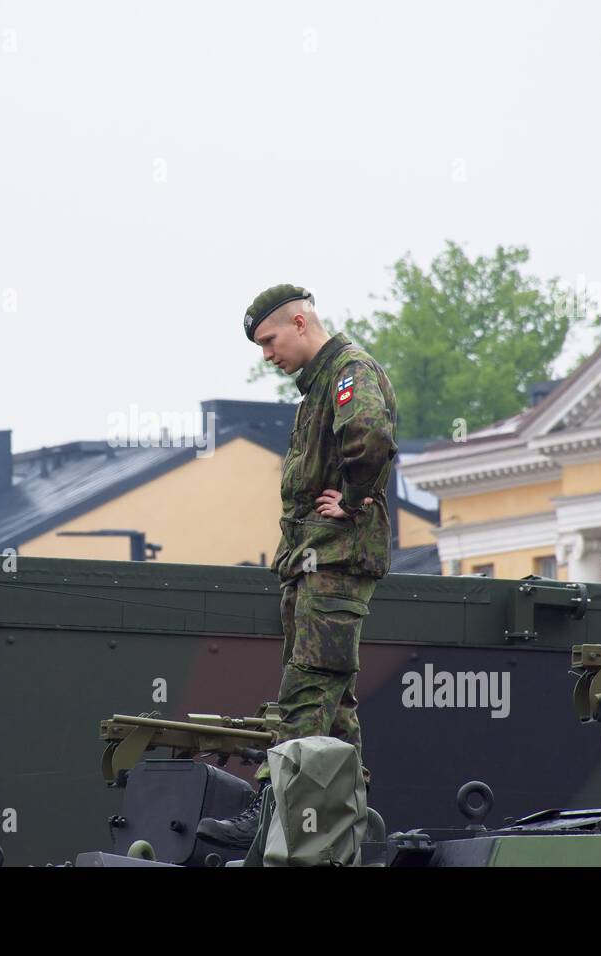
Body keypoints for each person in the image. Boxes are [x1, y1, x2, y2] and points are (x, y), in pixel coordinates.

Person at [197, 283, 398, 851]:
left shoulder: (347, 373)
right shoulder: (321, 385)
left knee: (307, 689)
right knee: (335, 709)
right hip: (315, 561)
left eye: (270, 340)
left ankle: (267, 812)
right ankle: (346, 823)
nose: (267, 355)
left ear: (301, 322)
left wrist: (355, 498)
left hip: (334, 559)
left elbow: (373, 438)